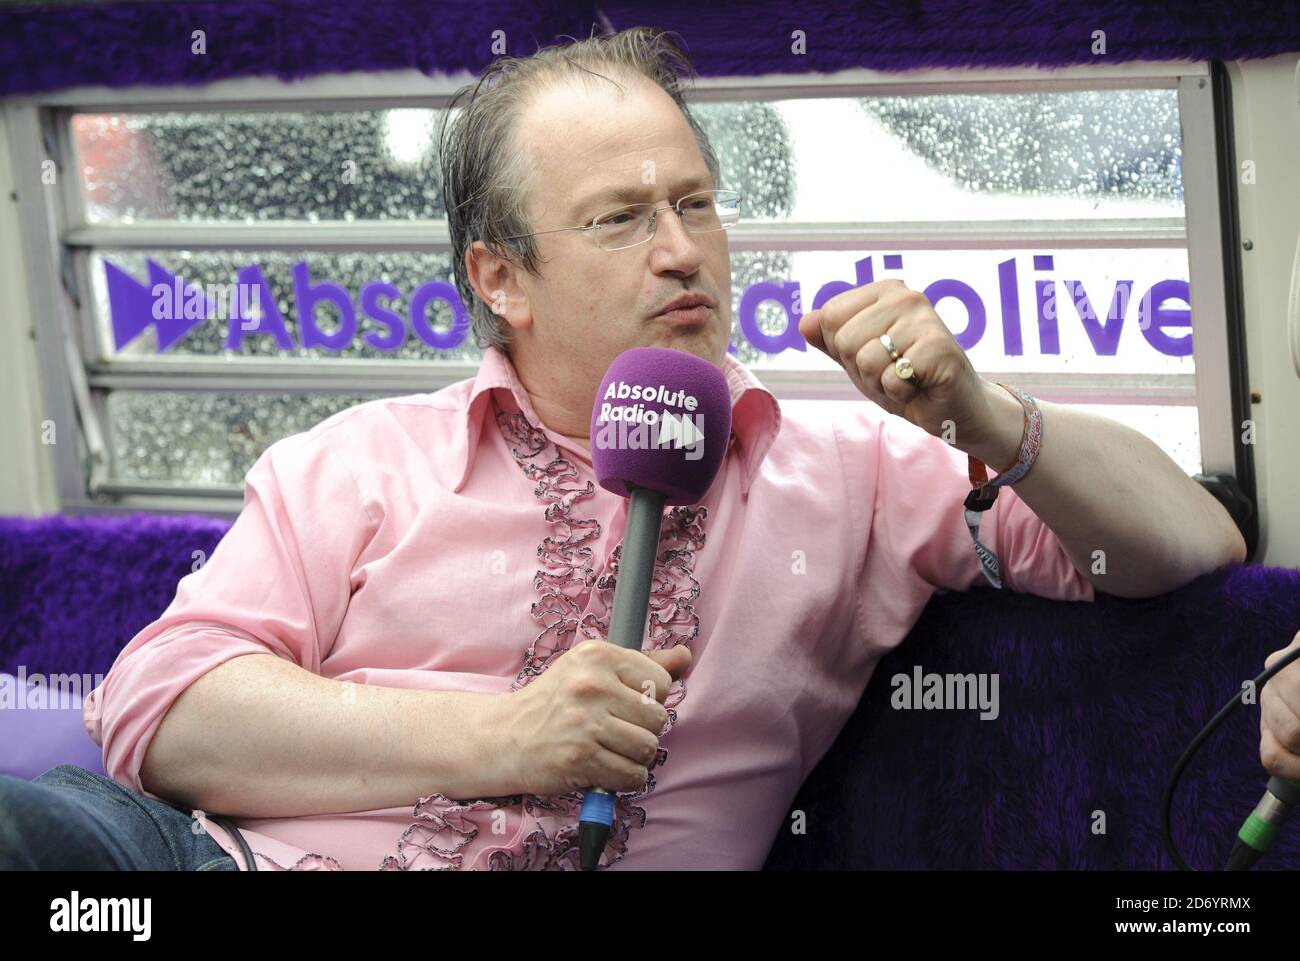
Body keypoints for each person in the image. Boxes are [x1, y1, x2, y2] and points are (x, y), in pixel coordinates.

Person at [0, 26, 1246, 871]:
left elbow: (1185, 540)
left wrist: (981, 412)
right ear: (503, 280)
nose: (680, 249)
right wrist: (504, 739)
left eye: (694, 202)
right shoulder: (359, 460)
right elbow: (154, 709)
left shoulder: (847, 472)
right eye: (618, 218)